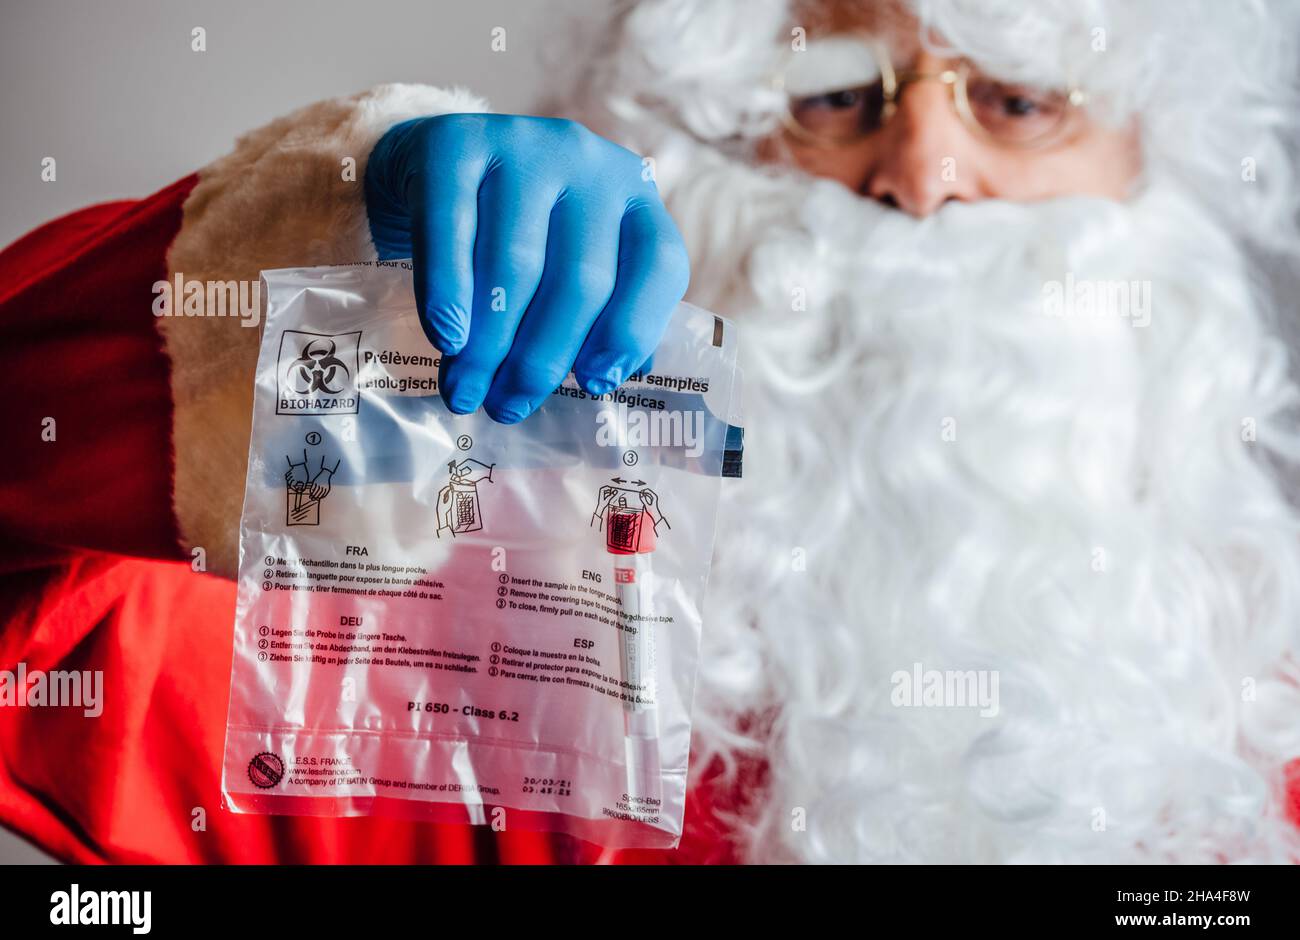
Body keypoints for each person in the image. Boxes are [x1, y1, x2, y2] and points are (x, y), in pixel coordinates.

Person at [3, 0, 1300, 863]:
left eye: (1019, 102)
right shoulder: (471, 661)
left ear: (1155, 159)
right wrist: (313, 275)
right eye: (839, 95)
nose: (925, 175)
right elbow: (45, 609)